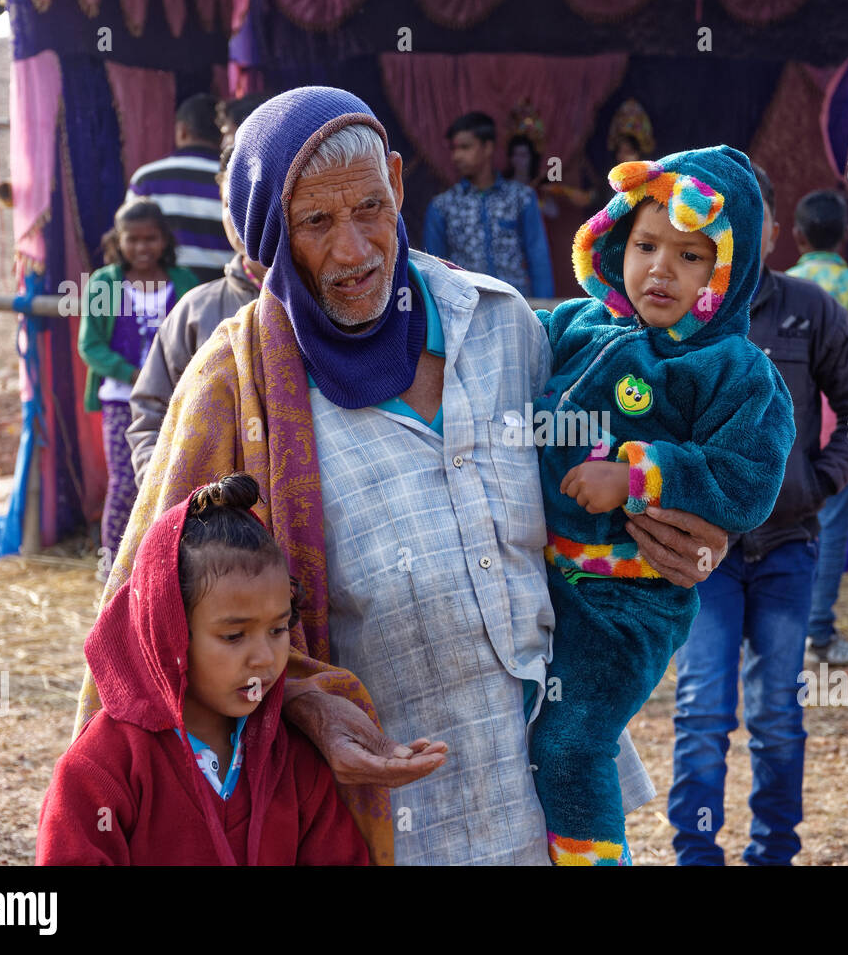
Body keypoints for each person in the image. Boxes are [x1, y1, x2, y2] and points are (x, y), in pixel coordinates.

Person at [71, 86, 734, 865]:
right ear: (262, 247)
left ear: (395, 178)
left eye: (370, 209)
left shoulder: (499, 324)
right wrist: (298, 701)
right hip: (375, 827)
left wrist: (682, 539)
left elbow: (599, 498)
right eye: (315, 224)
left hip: (549, 806)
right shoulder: (234, 386)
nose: (355, 252)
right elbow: (150, 629)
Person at [530, 148, 794, 865]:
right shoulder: (576, 327)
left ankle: (595, 856)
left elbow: (746, 476)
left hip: (629, 601)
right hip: (542, 578)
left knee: (571, 740)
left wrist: (638, 472)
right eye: (645, 245)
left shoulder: (730, 370)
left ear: (728, 270)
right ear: (615, 239)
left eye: (690, 256)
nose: (658, 269)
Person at [669, 165, 848, 865]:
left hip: (787, 547)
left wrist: (818, 482)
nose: (739, 228)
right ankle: (696, 853)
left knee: (777, 717)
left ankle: (774, 852)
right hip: (705, 554)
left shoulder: (810, 308)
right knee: (703, 713)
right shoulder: (678, 314)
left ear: (770, 228)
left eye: (752, 213)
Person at [38, 474, 370, 864]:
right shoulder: (105, 769)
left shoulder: (293, 761)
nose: (264, 657)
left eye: (278, 629)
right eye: (234, 635)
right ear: (169, 633)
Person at [128, 145, 264, 489]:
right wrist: (171, 498)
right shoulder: (195, 310)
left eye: (254, 199)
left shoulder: (322, 301)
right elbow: (151, 413)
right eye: (229, 204)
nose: (242, 217)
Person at [77, 200, 199, 565]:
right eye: (133, 240)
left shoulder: (184, 282)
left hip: (174, 399)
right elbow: (90, 345)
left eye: (151, 239)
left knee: (172, 476)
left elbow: (196, 340)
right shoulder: (104, 283)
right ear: (119, 240)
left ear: (164, 240)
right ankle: (114, 560)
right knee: (126, 479)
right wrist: (134, 375)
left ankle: (164, 560)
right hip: (120, 399)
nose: (142, 247)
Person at [787, 189, 848, 665]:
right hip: (842, 432)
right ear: (846, 235)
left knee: (783, 532)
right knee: (832, 531)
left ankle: (779, 631)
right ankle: (818, 634)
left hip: (789, 430)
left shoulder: (781, 286)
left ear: (797, 236)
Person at [423, 110, 555, 298]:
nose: (456, 156)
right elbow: (433, 271)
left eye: (465, 147)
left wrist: (544, 312)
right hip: (467, 311)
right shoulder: (442, 206)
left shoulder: (521, 198)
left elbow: (538, 259)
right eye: (453, 149)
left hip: (516, 306)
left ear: (488, 148)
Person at [126, 93, 233, 284]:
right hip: (224, 298)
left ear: (182, 131)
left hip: (162, 297)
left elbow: (129, 237)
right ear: (221, 135)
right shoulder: (231, 179)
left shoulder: (145, 179)